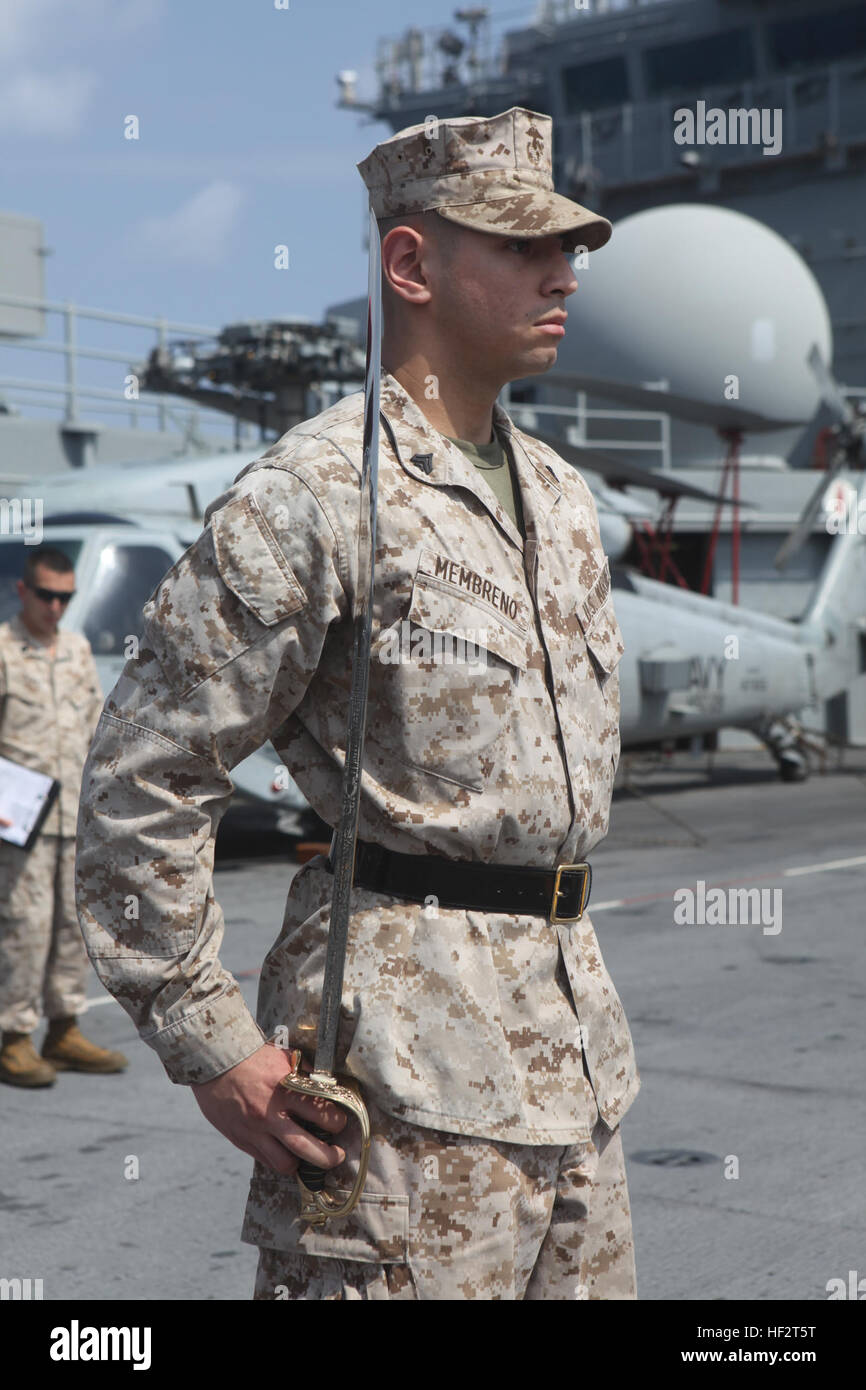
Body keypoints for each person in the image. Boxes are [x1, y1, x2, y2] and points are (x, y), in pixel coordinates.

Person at [75, 107, 640, 1299]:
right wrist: (213, 1043)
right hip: (397, 1111)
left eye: (569, 247)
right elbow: (142, 778)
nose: (562, 272)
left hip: (578, 1077)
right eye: (522, 245)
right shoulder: (313, 496)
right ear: (410, 264)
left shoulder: (560, 496)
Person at [0, 546, 127, 1086]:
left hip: (73, 815)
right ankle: (12, 1037)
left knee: (72, 926)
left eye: (65, 597)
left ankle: (64, 1028)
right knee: (24, 927)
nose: (56, 607)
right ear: (23, 591)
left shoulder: (76, 651)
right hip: (16, 820)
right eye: (47, 595)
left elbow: (97, 732)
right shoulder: (4, 650)